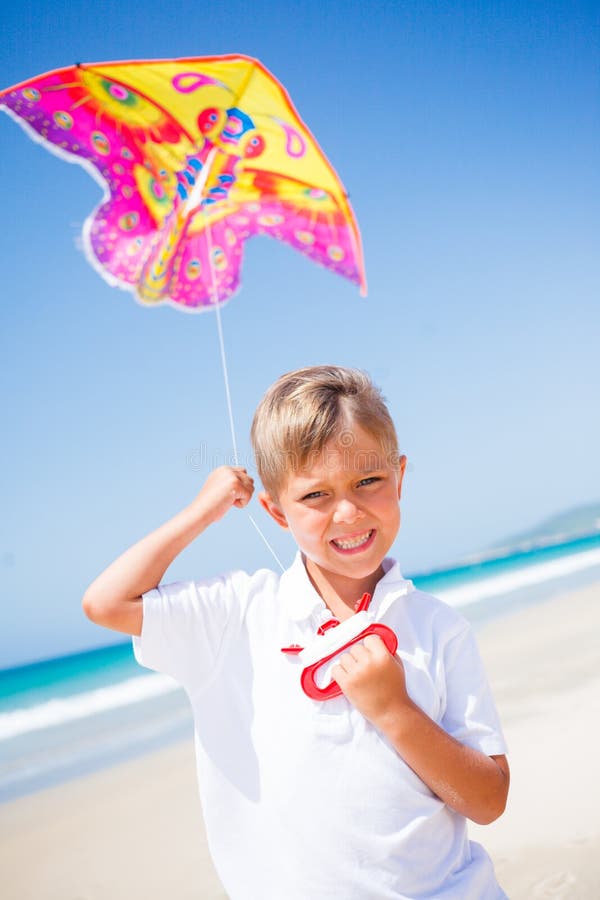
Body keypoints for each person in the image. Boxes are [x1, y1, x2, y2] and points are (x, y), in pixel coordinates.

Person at [83, 365, 509, 900]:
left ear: (399, 477)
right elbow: (106, 602)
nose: (348, 512)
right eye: (315, 496)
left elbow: (488, 801)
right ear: (275, 511)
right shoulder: (237, 615)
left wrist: (394, 710)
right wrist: (203, 512)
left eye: (368, 482)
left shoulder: (439, 629)